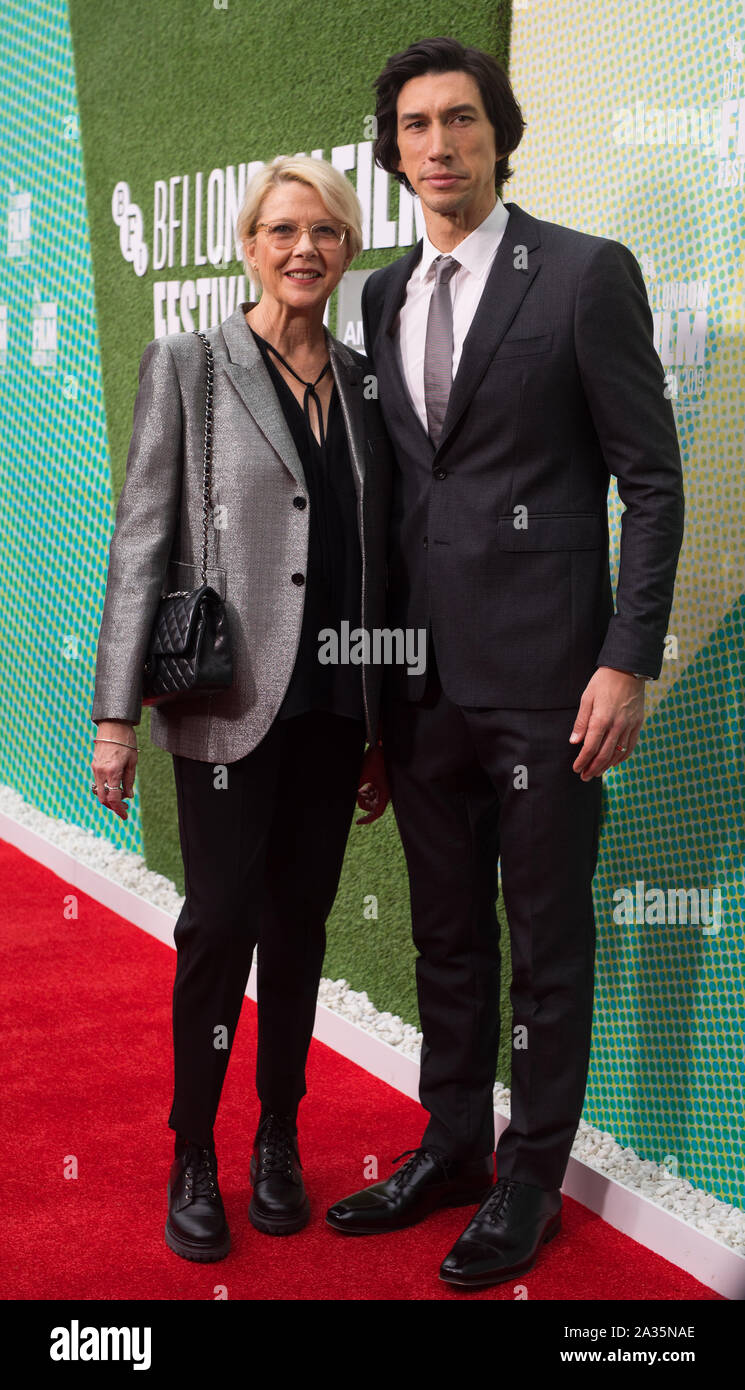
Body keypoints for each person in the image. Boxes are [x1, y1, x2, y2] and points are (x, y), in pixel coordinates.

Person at [325, 38, 685, 1289]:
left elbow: (649, 478)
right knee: (444, 940)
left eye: (462, 120)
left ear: (499, 135)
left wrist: (624, 659)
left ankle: (531, 1178)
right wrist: (369, 688)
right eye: (417, 125)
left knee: (545, 941)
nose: (439, 144)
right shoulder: (376, 296)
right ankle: (452, 1145)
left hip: (548, 685)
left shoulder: (583, 275)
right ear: (394, 153)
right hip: (419, 687)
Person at [91, 155, 391, 1263]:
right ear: (246, 244)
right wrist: (114, 715)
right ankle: (192, 1150)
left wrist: (380, 724)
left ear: (346, 244)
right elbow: (141, 541)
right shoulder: (191, 364)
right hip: (229, 703)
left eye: (322, 230)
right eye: (280, 230)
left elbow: (375, 556)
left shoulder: (365, 385)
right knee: (219, 927)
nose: (303, 248)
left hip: (332, 709)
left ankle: (277, 1135)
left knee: (301, 928)